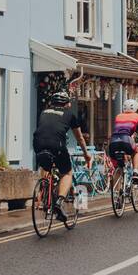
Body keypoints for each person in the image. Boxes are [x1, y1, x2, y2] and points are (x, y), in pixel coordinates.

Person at [33, 90, 91, 221]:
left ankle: (42, 192)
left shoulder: (44, 112)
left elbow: (45, 130)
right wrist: (86, 154)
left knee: (46, 166)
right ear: (67, 104)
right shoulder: (70, 114)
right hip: (57, 145)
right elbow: (80, 138)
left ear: (51, 103)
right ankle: (59, 202)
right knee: (67, 173)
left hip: (38, 144)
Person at [108, 98, 138, 182]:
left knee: (118, 167)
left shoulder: (118, 116)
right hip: (126, 139)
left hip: (113, 141)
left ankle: (117, 192)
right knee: (135, 152)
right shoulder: (137, 116)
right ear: (136, 108)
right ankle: (135, 173)